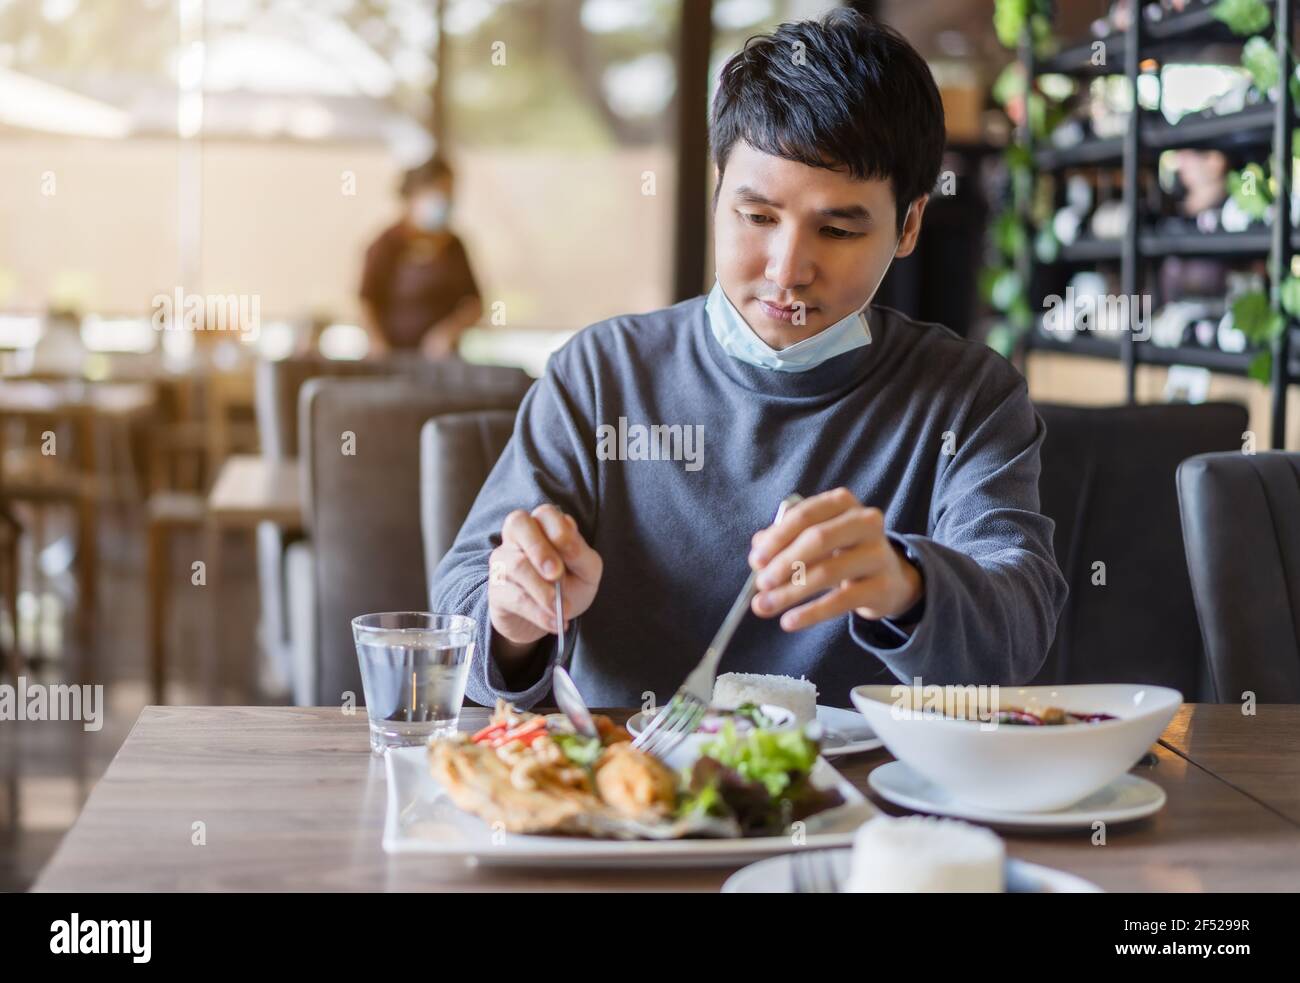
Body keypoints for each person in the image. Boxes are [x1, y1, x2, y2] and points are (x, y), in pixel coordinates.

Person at [428, 10, 1068, 711]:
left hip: (869, 776)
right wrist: (513, 617)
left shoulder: (968, 395)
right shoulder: (602, 374)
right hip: (628, 771)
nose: (787, 270)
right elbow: (462, 602)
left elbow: (1019, 626)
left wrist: (909, 586)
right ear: (716, 191)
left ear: (909, 224)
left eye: (837, 229)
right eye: (758, 217)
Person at [359, 155, 483, 359]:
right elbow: (366, 300)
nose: (446, 202)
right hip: (391, 358)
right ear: (415, 195)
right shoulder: (386, 243)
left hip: (441, 362)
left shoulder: (454, 246)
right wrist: (378, 343)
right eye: (439, 194)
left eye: (450, 195)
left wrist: (448, 332)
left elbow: (474, 303)